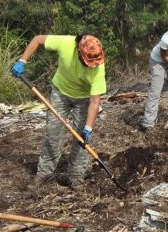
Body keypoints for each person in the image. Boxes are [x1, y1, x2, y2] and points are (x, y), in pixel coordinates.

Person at [11, 33, 106, 186]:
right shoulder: (66, 43)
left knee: (82, 140)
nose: (92, 66)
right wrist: (22, 61)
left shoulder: (98, 68)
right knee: (53, 132)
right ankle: (45, 173)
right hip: (60, 92)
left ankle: (76, 176)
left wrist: (88, 128)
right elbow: (37, 39)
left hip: (84, 98)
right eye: (89, 62)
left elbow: (95, 102)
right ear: (79, 52)